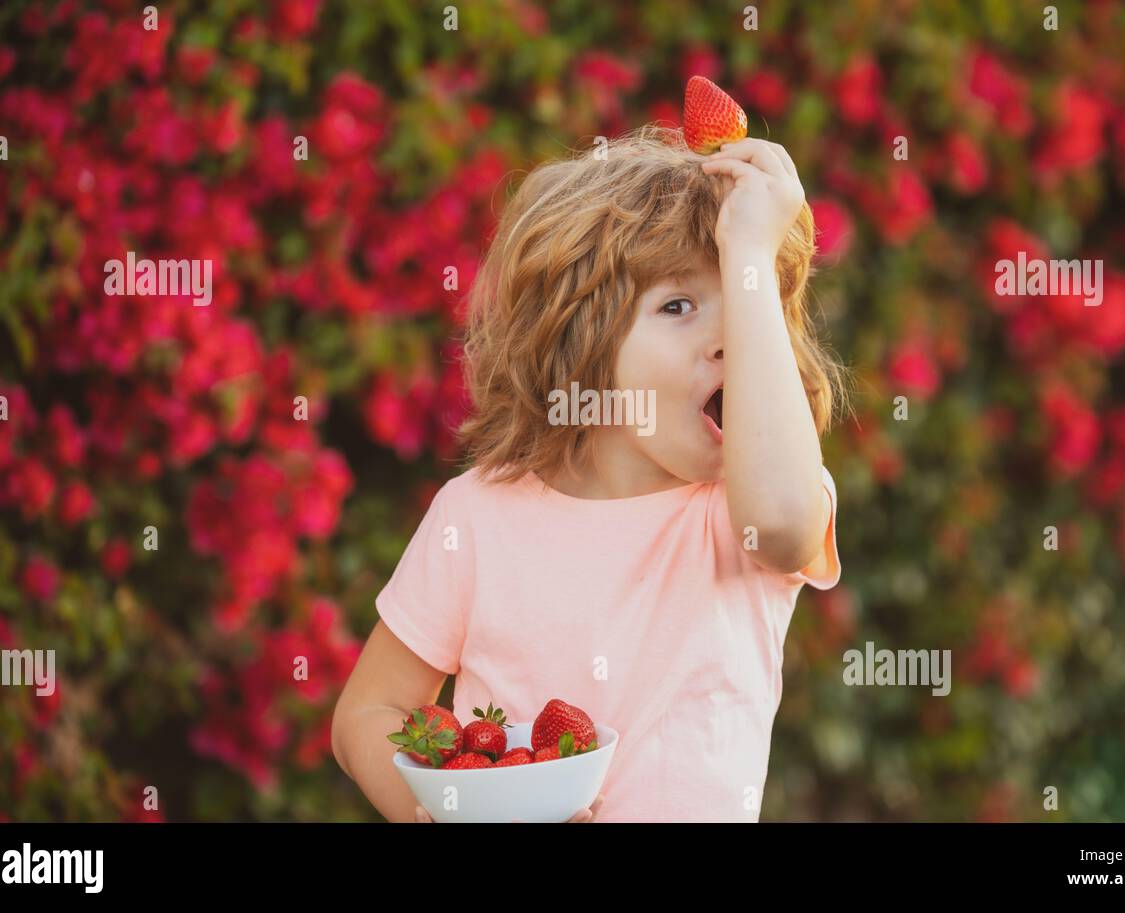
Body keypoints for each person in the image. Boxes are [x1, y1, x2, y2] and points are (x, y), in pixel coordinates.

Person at [331, 123, 850, 822]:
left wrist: (754, 247)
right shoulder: (476, 517)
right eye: (678, 305)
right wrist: (438, 808)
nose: (730, 337)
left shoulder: (741, 512)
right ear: (583, 341)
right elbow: (369, 708)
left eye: (746, 301)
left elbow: (786, 521)